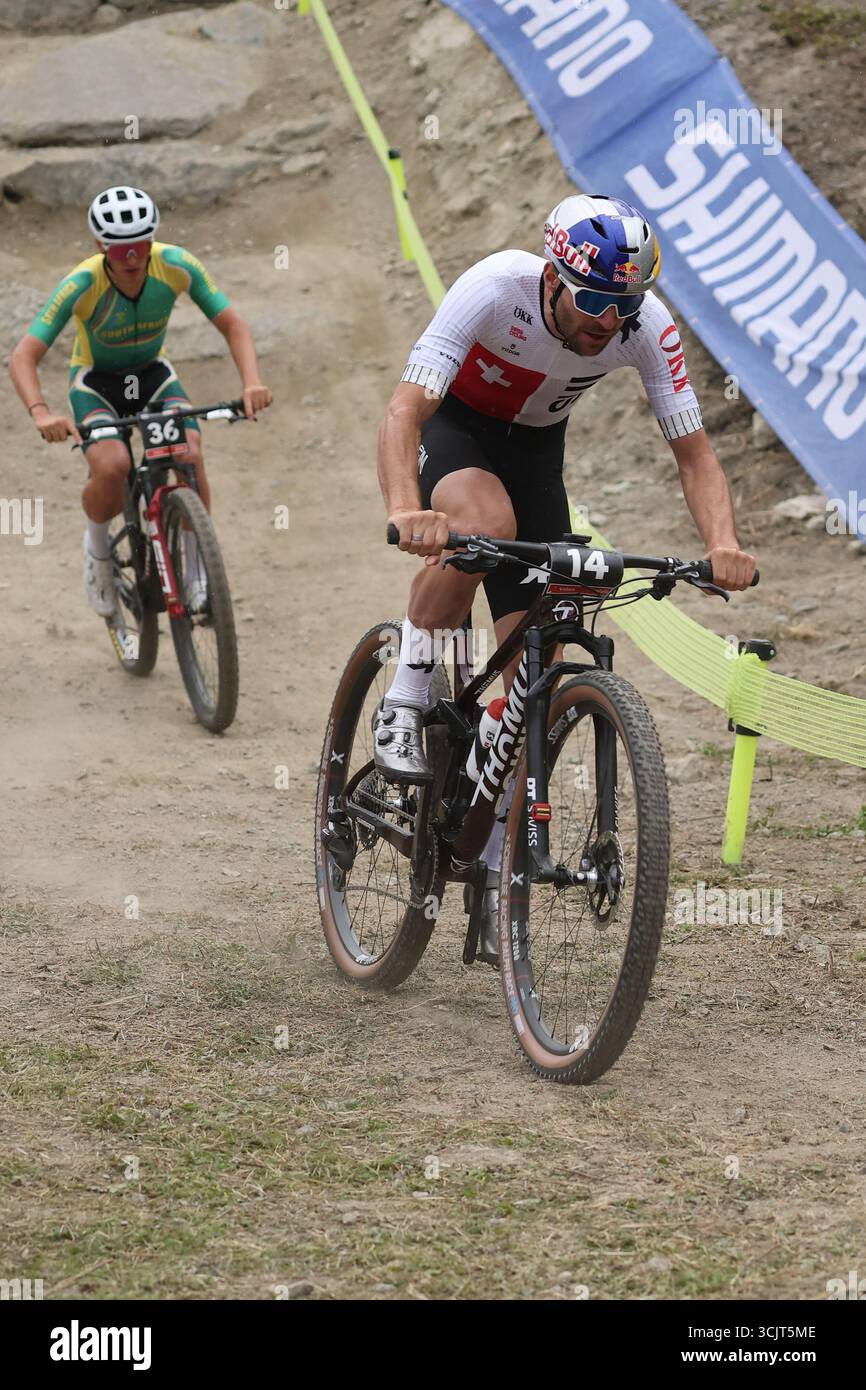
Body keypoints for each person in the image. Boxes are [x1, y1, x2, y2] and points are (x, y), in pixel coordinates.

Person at [375, 192, 757, 961]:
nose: (607, 322)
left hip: (536, 458)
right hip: (455, 433)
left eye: (625, 305)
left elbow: (694, 453)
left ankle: (484, 847)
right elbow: (404, 411)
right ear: (552, 275)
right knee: (484, 525)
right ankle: (406, 692)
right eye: (592, 301)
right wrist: (407, 508)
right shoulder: (494, 287)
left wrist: (723, 543)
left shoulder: (644, 327)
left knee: (538, 663)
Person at [9, 185, 272, 616]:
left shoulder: (176, 265)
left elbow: (233, 324)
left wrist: (252, 383)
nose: (131, 260)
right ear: (100, 247)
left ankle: (197, 569)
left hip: (152, 376)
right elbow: (23, 356)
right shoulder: (81, 282)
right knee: (114, 466)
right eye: (118, 251)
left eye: (140, 247)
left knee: (189, 452)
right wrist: (40, 412)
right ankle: (97, 552)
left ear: (152, 241)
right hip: (97, 383)